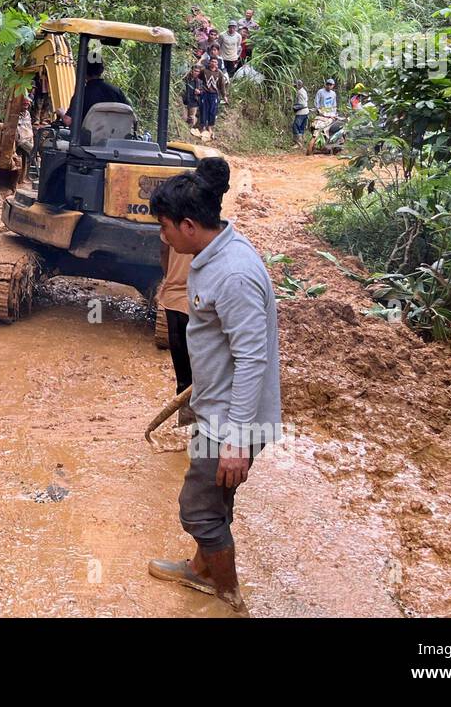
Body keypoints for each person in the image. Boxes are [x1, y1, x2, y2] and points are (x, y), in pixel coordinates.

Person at [146, 157, 281, 614]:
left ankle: (227, 598)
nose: (163, 236)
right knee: (216, 501)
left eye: (165, 227)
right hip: (220, 410)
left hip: (231, 423)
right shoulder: (215, 252)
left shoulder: (235, 274)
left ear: (188, 225)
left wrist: (236, 440)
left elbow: (251, 359)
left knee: (199, 508)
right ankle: (203, 570)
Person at [159, 243, 196, 426]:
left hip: (174, 299)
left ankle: (186, 421)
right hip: (197, 303)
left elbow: (164, 251)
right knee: (200, 366)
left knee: (182, 370)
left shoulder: (171, 222)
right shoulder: (211, 228)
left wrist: (170, 276)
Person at [197, 61, 225, 140]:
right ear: (209, 63)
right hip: (205, 93)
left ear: (217, 64)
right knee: (204, 110)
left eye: (215, 62)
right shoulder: (204, 71)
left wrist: (224, 95)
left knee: (212, 112)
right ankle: (202, 127)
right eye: (212, 61)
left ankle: (210, 127)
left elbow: (222, 85)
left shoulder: (219, 73)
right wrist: (199, 89)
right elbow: (198, 79)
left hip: (214, 94)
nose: (213, 63)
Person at [182, 64, 203, 132]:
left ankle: (189, 130)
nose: (196, 72)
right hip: (185, 100)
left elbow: (204, 91)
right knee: (185, 117)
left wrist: (199, 92)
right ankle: (186, 129)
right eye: (195, 71)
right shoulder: (186, 79)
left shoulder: (200, 81)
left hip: (194, 101)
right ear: (192, 71)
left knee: (191, 117)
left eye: (197, 71)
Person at [292, 78, 310, 146]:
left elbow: (301, 104)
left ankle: (298, 143)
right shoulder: (303, 91)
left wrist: (294, 107)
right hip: (305, 112)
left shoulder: (300, 92)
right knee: (301, 127)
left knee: (296, 126)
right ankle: (301, 142)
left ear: (298, 85)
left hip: (301, 112)